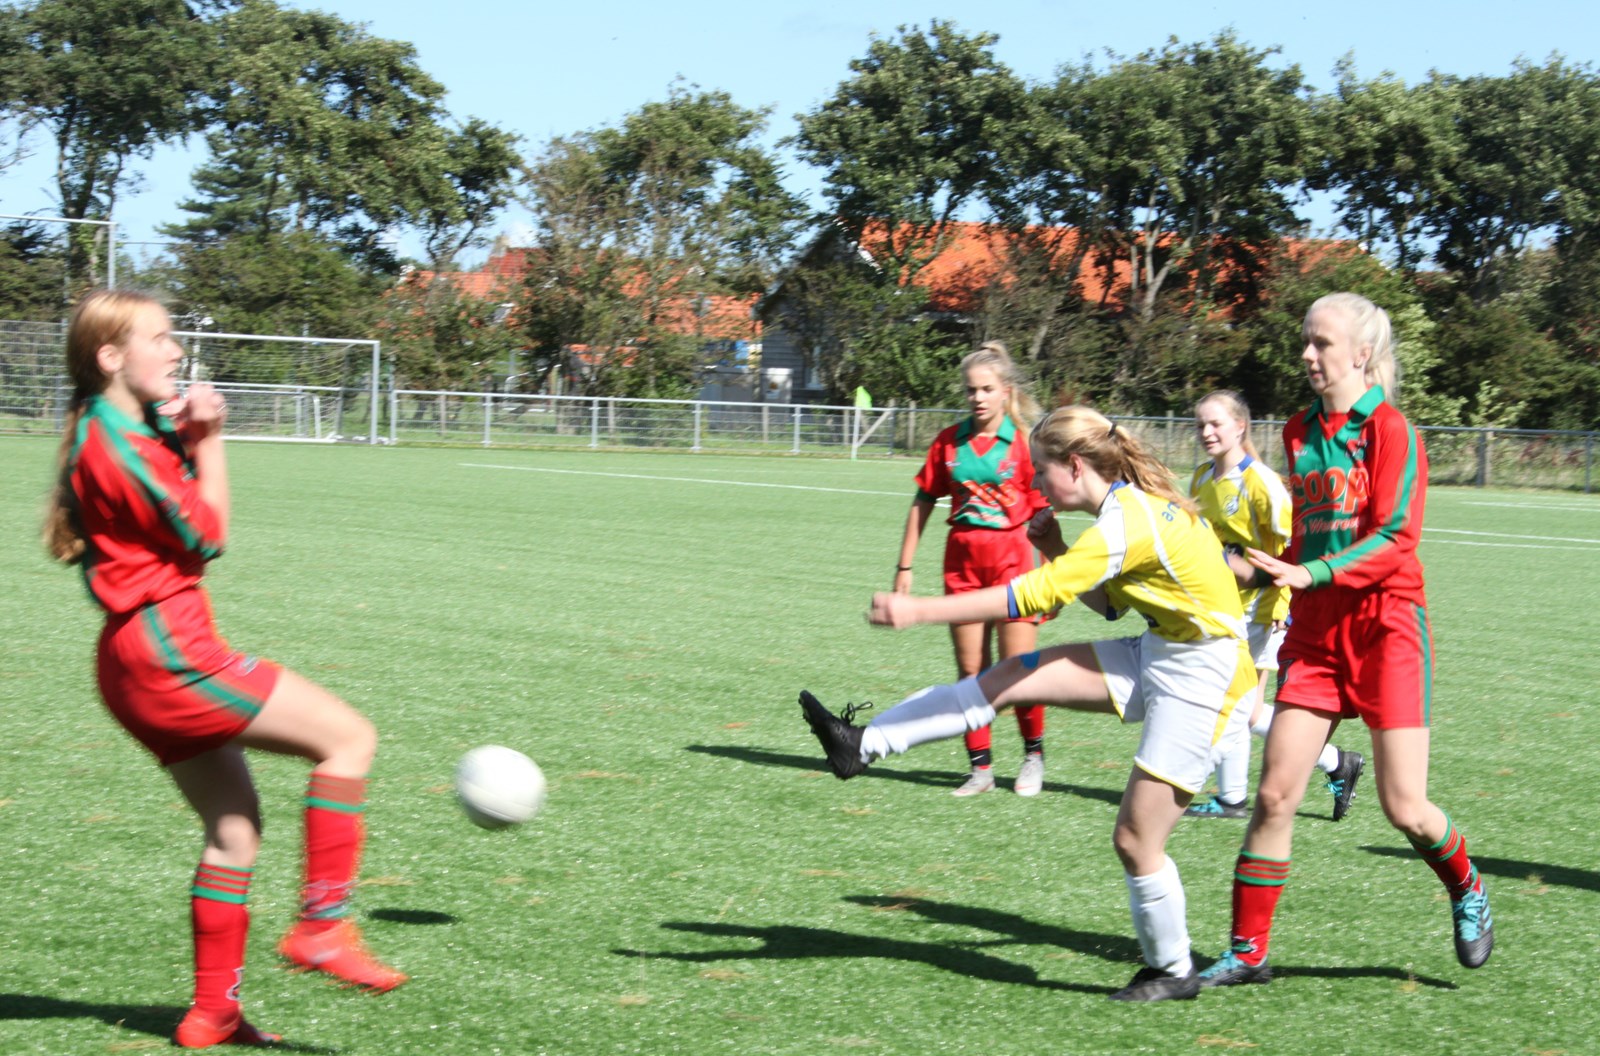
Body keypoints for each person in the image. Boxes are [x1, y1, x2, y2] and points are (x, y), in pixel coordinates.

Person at [42, 290, 406, 1049]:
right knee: (349, 741)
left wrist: (178, 429)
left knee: (234, 831)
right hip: (172, 654)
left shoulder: (103, 427)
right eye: (161, 339)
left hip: (129, 660)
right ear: (111, 357)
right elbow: (207, 534)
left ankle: (214, 1012)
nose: (176, 352)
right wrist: (208, 438)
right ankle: (322, 927)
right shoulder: (121, 446)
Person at [801, 406, 1257, 1002]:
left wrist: (920, 610)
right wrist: (1054, 544)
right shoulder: (1122, 510)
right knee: (1013, 673)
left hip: (1206, 676)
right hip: (1160, 651)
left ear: (1074, 465)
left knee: (1136, 840)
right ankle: (861, 745)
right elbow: (1113, 606)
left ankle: (1172, 971)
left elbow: (1032, 596)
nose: (1036, 485)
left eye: (1041, 472)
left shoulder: (1128, 519)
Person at [1199, 293, 1493, 990]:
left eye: (1321, 343)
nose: (1307, 354)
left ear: (1361, 353)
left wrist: (1310, 570)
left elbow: (1397, 538)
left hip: (1389, 624)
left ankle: (1467, 883)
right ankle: (1247, 953)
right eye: (1306, 341)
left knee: (1406, 808)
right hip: (1316, 627)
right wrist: (1253, 573)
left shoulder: (1391, 429)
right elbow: (1304, 534)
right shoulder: (1299, 431)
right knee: (1274, 795)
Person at [1184, 391, 1364, 820]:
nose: (1207, 432)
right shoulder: (1199, 480)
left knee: (1236, 707)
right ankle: (1336, 762)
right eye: (1200, 426)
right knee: (1238, 709)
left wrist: (1285, 602)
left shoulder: (1260, 482)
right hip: (1219, 607)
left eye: (1216, 424)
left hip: (1260, 610)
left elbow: (1293, 545)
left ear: (1239, 427)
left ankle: (1233, 798)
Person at [892, 341, 1052, 797]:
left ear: (1005, 391)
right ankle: (980, 769)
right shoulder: (948, 441)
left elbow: (1043, 515)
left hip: (1014, 562)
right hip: (962, 565)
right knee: (971, 671)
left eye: (986, 389)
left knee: (1019, 669)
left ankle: (1033, 757)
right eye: (970, 390)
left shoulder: (1024, 443)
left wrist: (1049, 578)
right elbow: (923, 501)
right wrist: (905, 565)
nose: (977, 398)